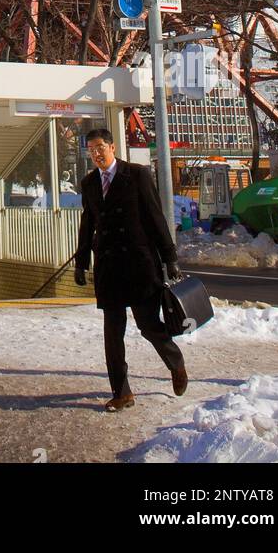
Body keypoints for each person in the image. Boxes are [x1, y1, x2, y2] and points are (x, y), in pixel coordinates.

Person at [74, 128, 188, 412]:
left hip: (138, 263)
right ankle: (121, 392)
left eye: (100, 147)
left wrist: (169, 257)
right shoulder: (89, 183)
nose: (96, 153)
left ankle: (176, 363)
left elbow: (155, 217)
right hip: (109, 266)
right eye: (91, 149)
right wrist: (81, 261)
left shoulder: (136, 175)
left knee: (149, 325)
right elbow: (88, 224)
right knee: (113, 334)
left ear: (112, 147)